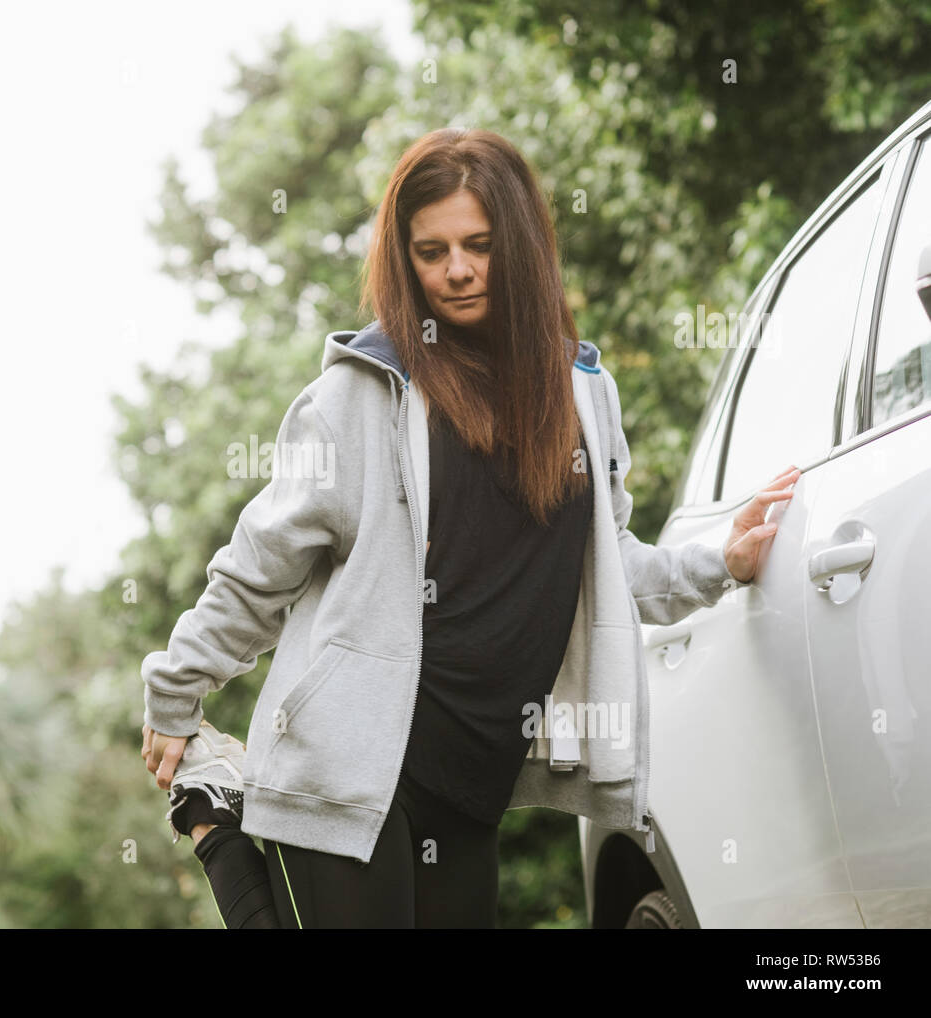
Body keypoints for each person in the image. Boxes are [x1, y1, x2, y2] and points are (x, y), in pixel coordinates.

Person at [140, 127, 798, 929]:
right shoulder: (357, 400)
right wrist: (174, 694)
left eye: (479, 245)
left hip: (474, 780)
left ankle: (217, 812)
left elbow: (603, 567)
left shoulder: (582, 395)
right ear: (403, 259)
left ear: (518, 246)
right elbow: (259, 567)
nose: (456, 269)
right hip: (346, 766)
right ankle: (215, 818)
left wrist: (717, 564)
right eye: (432, 250)